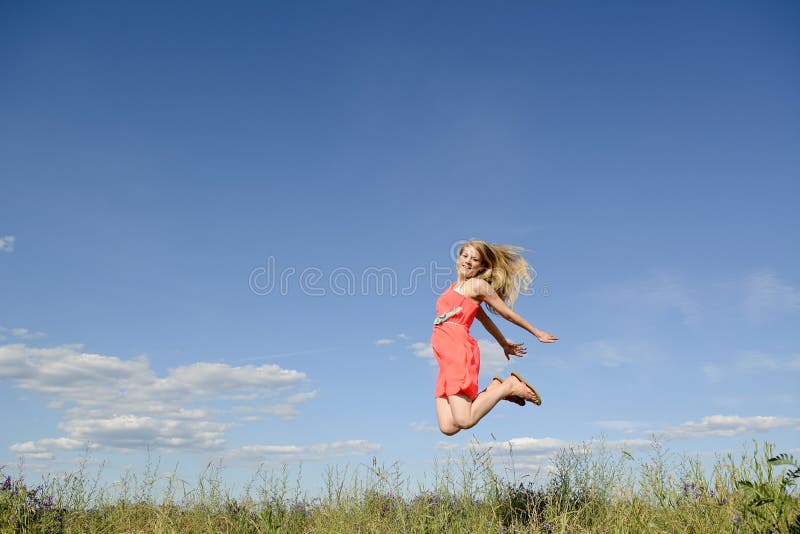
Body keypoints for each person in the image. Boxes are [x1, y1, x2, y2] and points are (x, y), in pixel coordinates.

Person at [431, 239, 558, 435]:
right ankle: (494, 389)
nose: (468, 261)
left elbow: (507, 314)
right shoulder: (454, 287)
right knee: (448, 427)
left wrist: (536, 332)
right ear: (458, 258)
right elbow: (485, 321)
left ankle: (509, 386)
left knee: (465, 420)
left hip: (457, 352)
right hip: (444, 358)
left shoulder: (477, 285)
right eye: (465, 256)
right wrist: (503, 344)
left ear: (481, 266)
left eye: (474, 259)